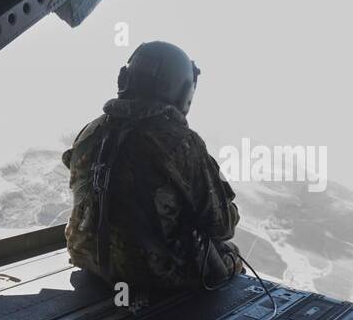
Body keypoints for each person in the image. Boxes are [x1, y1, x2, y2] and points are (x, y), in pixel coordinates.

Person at [61, 40, 243, 293]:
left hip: (87, 259)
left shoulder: (92, 129)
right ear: (183, 91)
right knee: (229, 256)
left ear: (124, 79)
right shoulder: (180, 142)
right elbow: (222, 226)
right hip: (152, 275)